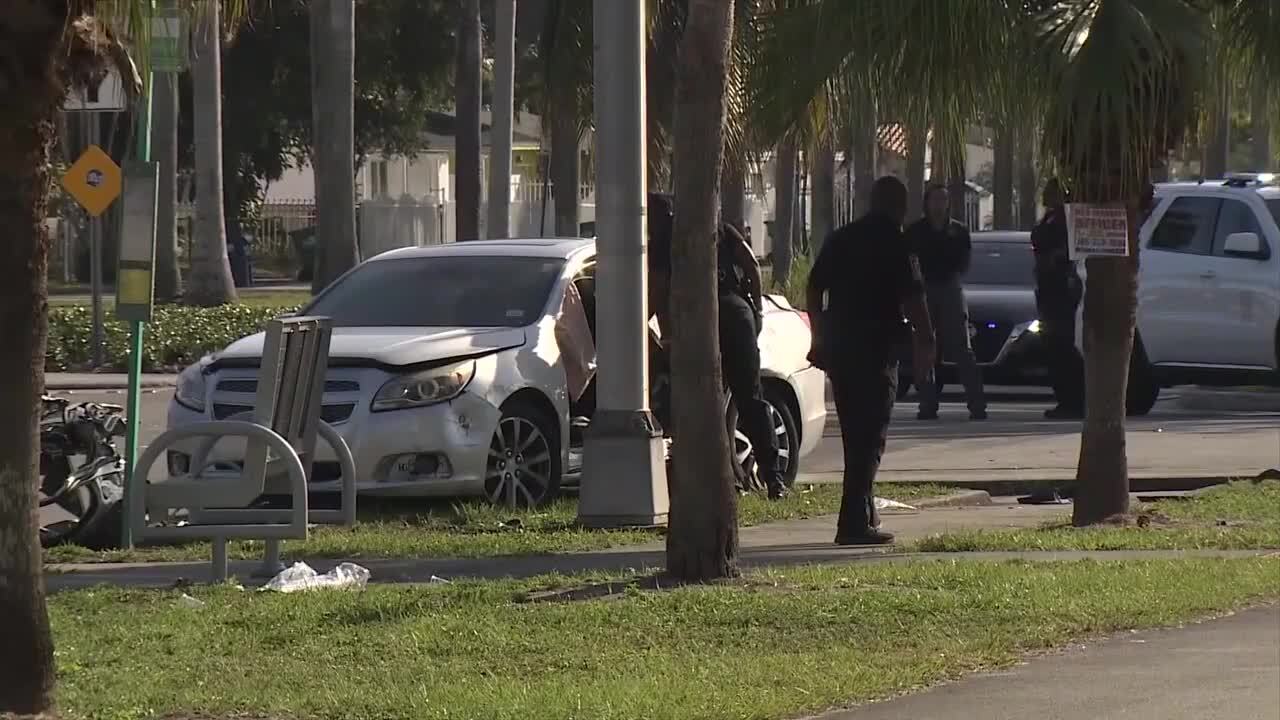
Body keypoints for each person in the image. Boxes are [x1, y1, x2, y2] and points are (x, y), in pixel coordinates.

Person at [806, 176, 936, 545]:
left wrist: (819, 335)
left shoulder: (842, 238)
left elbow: (815, 287)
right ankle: (852, 524)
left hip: (843, 348)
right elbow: (915, 298)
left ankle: (864, 511)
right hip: (878, 350)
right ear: (899, 206)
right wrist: (926, 341)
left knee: (853, 435)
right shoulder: (898, 243)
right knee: (871, 438)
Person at [647, 194, 787, 499]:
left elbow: (657, 292)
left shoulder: (664, 240)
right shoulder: (718, 229)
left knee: (698, 400)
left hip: (702, 320)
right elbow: (750, 263)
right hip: (737, 314)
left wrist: (652, 332)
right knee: (749, 397)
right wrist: (756, 308)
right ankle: (773, 478)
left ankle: (713, 478)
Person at [906, 184, 987, 421]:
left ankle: (977, 404)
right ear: (927, 203)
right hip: (923, 290)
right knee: (924, 347)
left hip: (951, 289)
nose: (939, 205)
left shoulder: (959, 232)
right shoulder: (915, 232)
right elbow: (909, 260)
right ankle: (927, 404)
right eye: (935, 200)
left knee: (963, 348)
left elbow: (964, 262)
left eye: (943, 200)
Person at [1031, 178, 1085, 419]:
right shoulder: (1050, 218)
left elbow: (1070, 250)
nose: (1047, 196)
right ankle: (1065, 399)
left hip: (1061, 287)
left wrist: (1056, 258)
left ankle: (1074, 399)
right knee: (1052, 345)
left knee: (1062, 344)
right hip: (1047, 287)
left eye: (1053, 192)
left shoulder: (1067, 220)